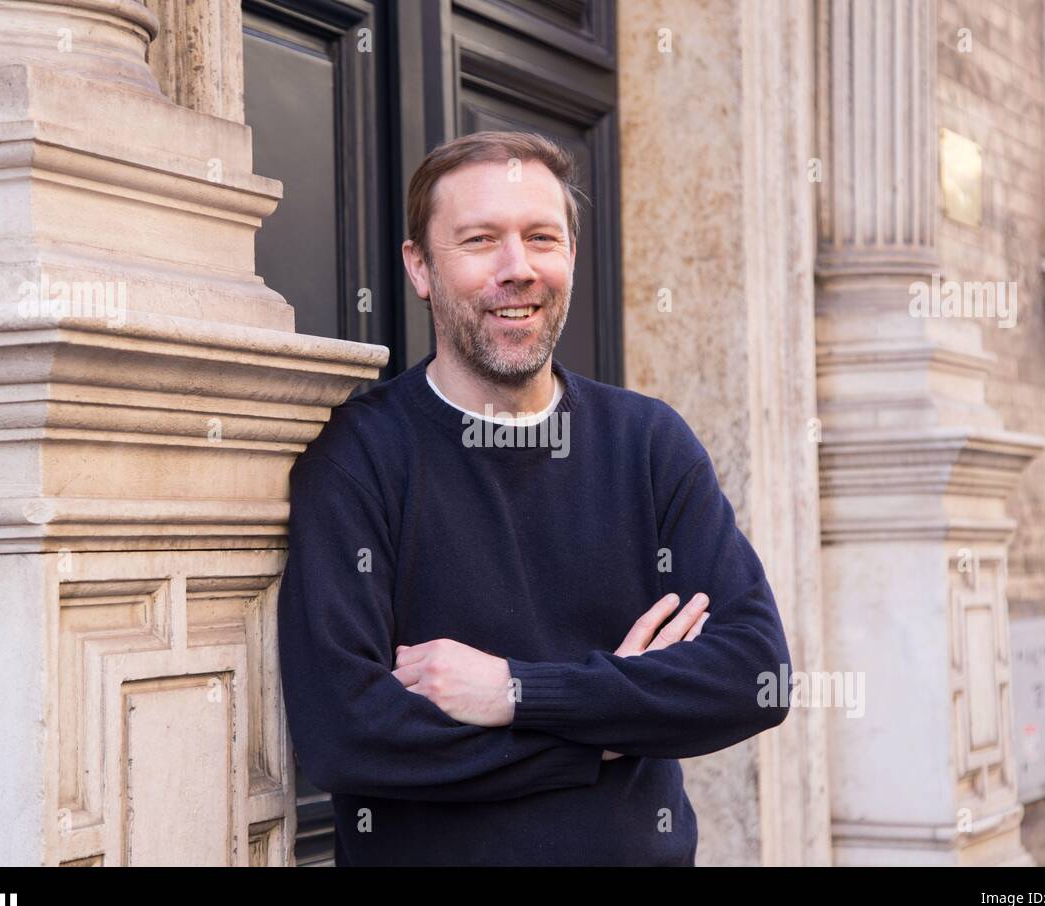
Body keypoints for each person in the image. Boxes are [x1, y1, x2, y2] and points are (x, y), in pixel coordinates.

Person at [277, 130, 792, 866]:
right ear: (420, 268)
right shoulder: (360, 455)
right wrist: (611, 731)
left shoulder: (648, 442)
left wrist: (516, 691)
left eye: (541, 238)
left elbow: (754, 676)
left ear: (571, 258)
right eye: (480, 240)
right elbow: (347, 735)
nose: (517, 270)